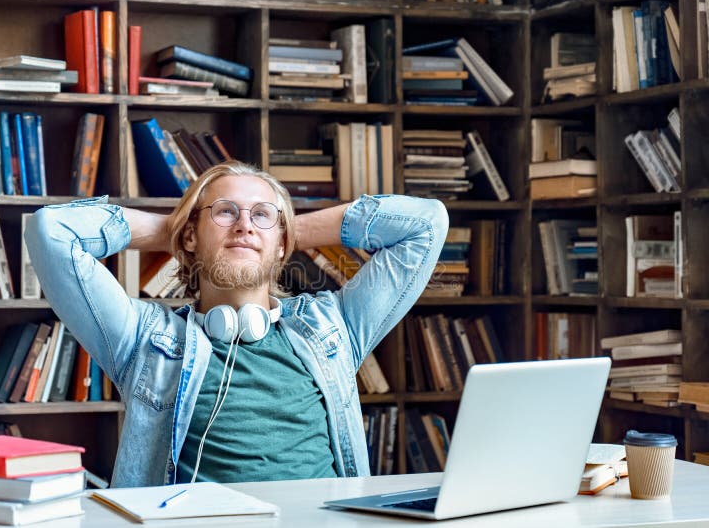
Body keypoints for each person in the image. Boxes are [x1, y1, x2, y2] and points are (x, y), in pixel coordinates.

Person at [25, 160, 448, 488]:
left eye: (262, 215)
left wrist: (288, 231)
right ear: (191, 236)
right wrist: (172, 229)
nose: (245, 224)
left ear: (284, 244)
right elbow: (51, 230)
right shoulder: (143, 338)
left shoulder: (334, 324)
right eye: (225, 212)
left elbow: (426, 225)